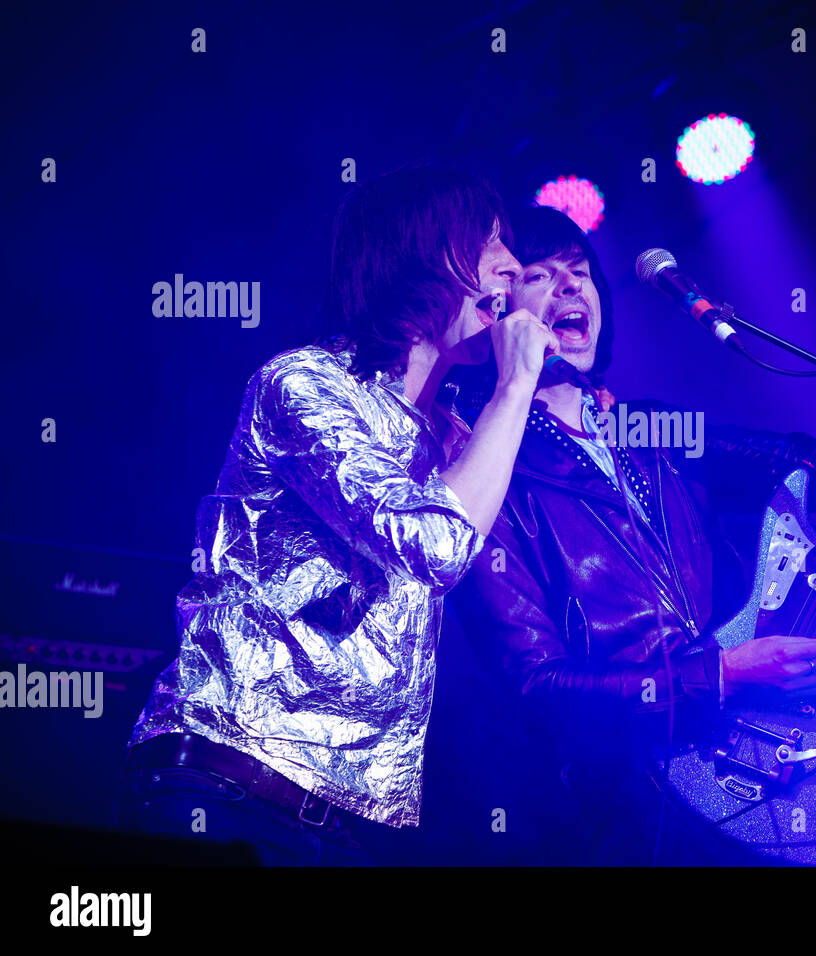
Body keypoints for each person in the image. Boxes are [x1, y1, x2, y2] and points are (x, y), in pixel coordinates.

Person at [449, 204, 816, 864]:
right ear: (499, 311)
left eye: (581, 271)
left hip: (764, 753)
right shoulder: (487, 474)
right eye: (540, 275)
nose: (571, 286)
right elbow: (535, 687)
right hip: (634, 803)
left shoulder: (652, 432)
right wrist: (719, 676)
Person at [116, 169, 557, 865]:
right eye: (487, 243)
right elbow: (439, 545)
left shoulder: (450, 438)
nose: (513, 265)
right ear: (414, 257)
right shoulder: (305, 384)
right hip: (223, 791)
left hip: (331, 821)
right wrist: (516, 386)